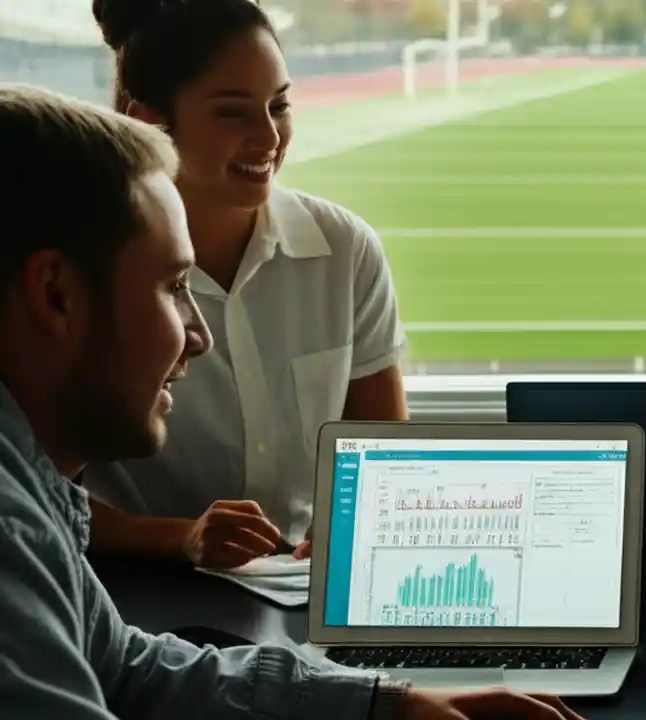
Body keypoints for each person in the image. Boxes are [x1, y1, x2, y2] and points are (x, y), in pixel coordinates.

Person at [0, 83, 582, 720]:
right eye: (172, 288)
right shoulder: (10, 533)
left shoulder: (30, 493)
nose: (199, 335)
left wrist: (391, 707)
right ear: (55, 294)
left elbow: (130, 668)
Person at [83, 0, 410, 569]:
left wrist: (340, 538)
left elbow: (384, 463)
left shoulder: (346, 250)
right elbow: (27, 495)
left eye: (278, 106)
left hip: (298, 596)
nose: (269, 138)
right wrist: (178, 539)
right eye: (233, 114)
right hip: (130, 597)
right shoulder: (82, 262)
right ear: (148, 120)